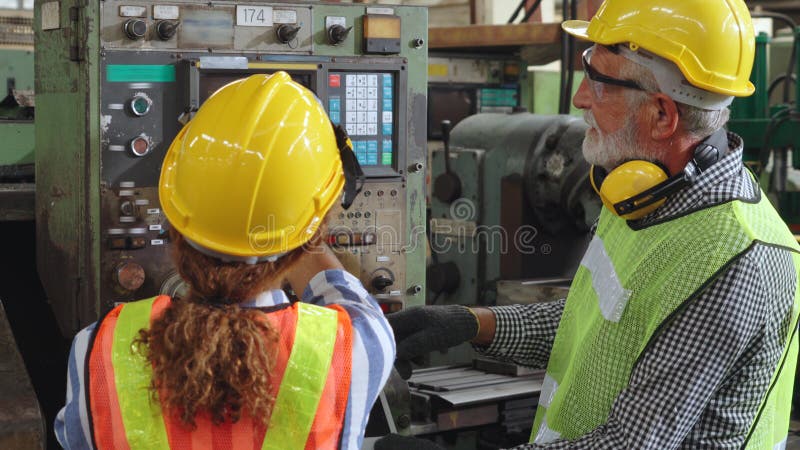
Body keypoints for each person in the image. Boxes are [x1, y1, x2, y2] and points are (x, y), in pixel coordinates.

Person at [377, 1, 800, 449]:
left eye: (598, 82)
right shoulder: (642, 196)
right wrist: (474, 324)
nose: (579, 97)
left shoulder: (733, 263)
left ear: (661, 115)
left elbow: (627, 443)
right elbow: (601, 325)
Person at [55, 72, 395, 450]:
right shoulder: (358, 348)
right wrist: (297, 221)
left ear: (175, 221)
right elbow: (350, 299)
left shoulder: (97, 349)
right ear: (312, 234)